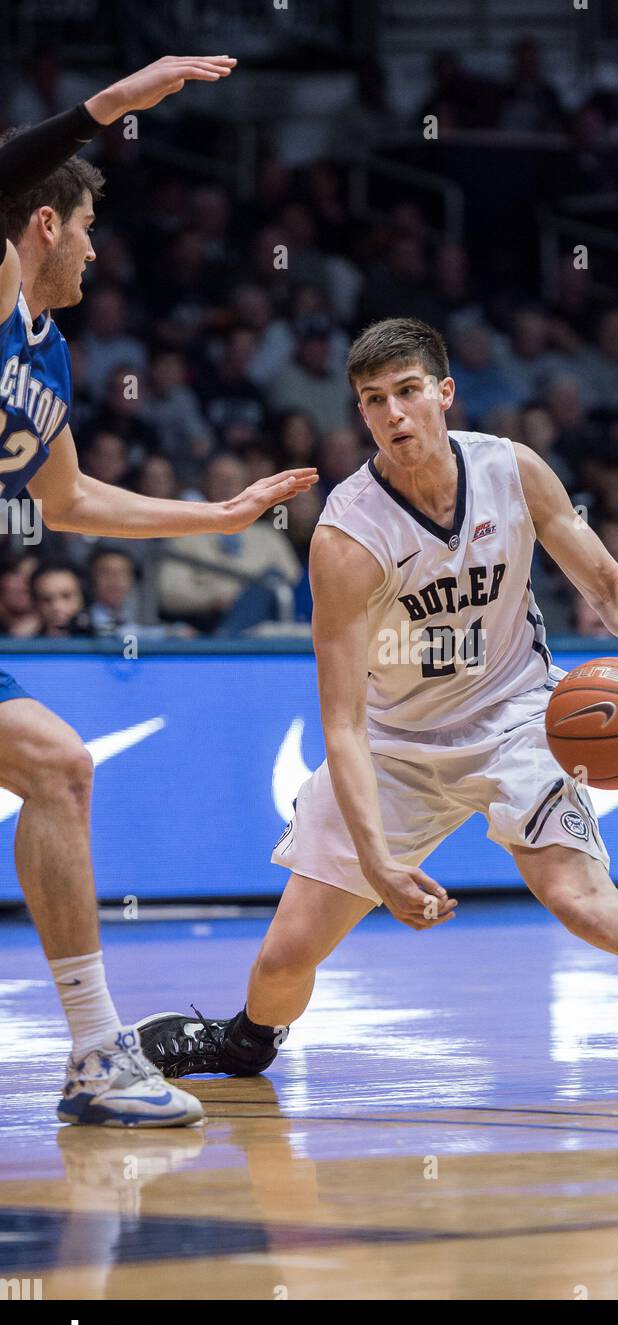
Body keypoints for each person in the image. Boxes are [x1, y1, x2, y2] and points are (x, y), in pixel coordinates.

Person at [139, 318, 618, 1103]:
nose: (394, 413)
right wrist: (378, 861)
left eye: (408, 391)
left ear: (444, 393)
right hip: (395, 742)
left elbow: (605, 585)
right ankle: (245, 1043)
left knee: (582, 902)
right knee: (284, 958)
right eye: (373, 400)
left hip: (517, 716)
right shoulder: (346, 535)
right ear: (361, 414)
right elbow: (340, 722)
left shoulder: (512, 471)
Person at [0, 54, 318, 1126]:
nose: (95, 250)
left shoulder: (48, 364)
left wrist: (217, 516)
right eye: (85, 229)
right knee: (58, 763)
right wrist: (109, 108)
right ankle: (96, 1052)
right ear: (43, 226)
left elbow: (72, 496)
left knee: (55, 766)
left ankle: (96, 1054)